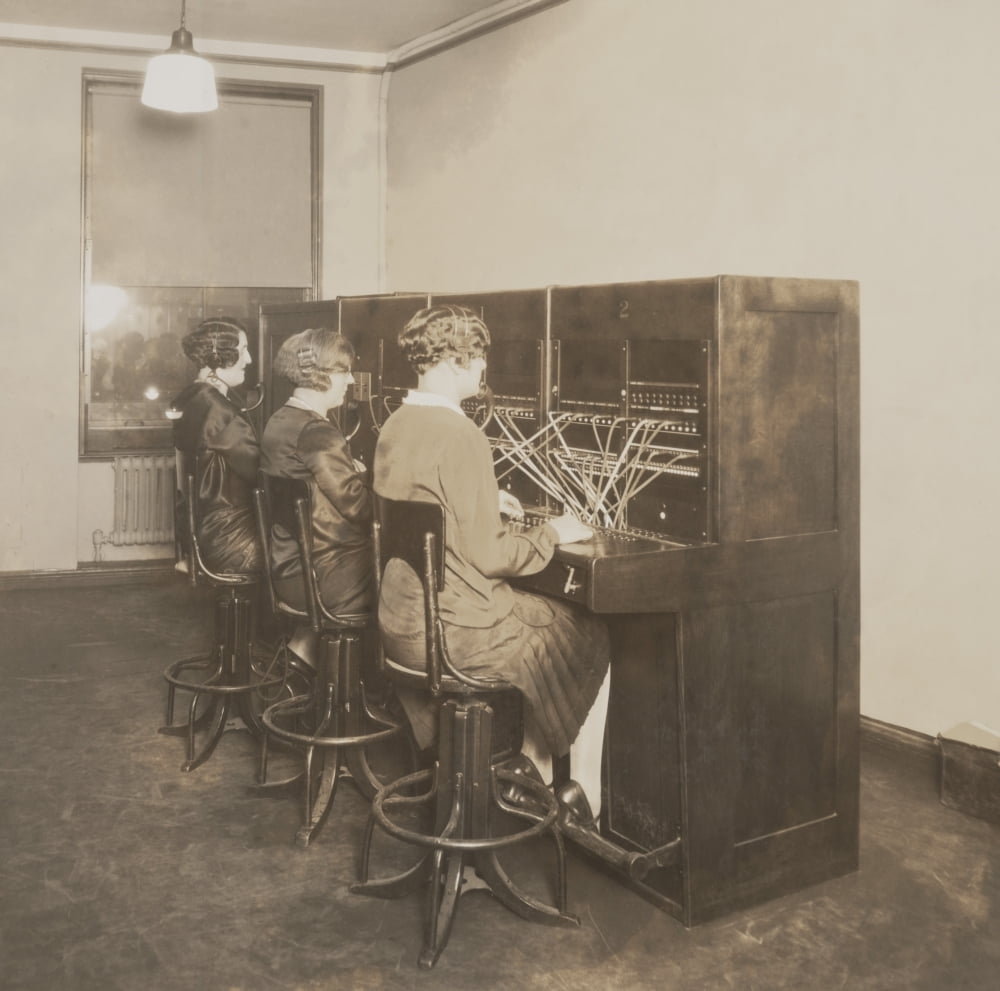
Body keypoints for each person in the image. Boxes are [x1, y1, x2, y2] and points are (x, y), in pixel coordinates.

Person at [373, 304, 612, 828]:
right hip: (455, 633)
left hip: (400, 624)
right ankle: (570, 795)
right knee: (586, 633)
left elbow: (424, 507)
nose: (483, 370)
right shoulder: (461, 435)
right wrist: (553, 532)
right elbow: (491, 556)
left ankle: (530, 773)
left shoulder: (396, 423)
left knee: (547, 621)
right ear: (457, 360)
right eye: (479, 358)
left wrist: (486, 500)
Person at [260, 328, 373, 667]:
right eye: (344, 371)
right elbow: (360, 508)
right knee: (407, 578)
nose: (351, 380)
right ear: (323, 375)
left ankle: (303, 658)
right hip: (324, 577)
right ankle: (368, 698)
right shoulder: (318, 432)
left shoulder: (279, 420)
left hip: (287, 568)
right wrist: (366, 478)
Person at [169, 317, 261, 575]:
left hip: (198, 532)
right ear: (218, 358)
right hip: (230, 539)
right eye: (243, 351)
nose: (250, 360)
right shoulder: (218, 410)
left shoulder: (190, 398)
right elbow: (262, 471)